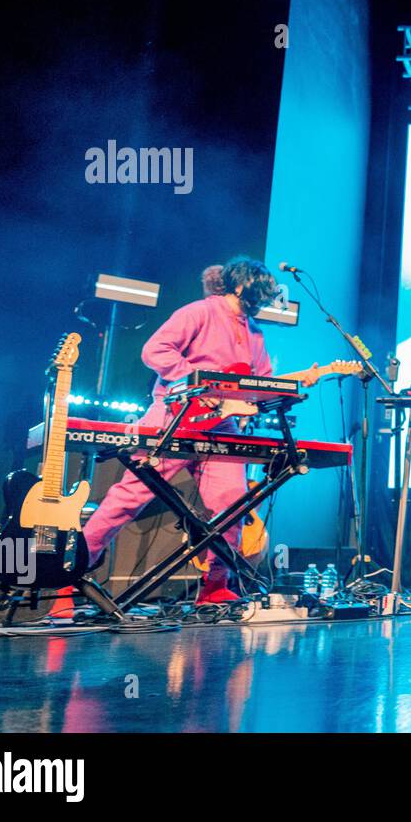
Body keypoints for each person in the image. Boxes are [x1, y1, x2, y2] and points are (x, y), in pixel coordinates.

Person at [82, 257, 319, 604]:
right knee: (128, 499)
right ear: (240, 285)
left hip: (220, 426)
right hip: (173, 416)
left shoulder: (254, 332)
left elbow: (261, 383)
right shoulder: (198, 312)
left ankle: (215, 586)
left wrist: (295, 383)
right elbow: (154, 350)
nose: (266, 300)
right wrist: (198, 383)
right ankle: (69, 572)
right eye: (261, 291)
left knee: (232, 504)